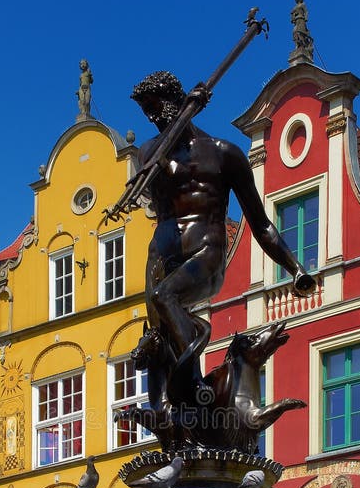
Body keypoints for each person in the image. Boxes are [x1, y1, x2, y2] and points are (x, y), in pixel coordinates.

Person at [131, 71, 316, 390]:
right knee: (159, 341)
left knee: (166, 297)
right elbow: (166, 173)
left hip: (205, 252)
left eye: (156, 107)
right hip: (160, 256)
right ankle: (175, 414)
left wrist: (295, 268)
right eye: (146, 111)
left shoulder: (223, 153)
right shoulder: (146, 154)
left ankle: (196, 387)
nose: (152, 118)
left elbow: (261, 224)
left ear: (176, 102)